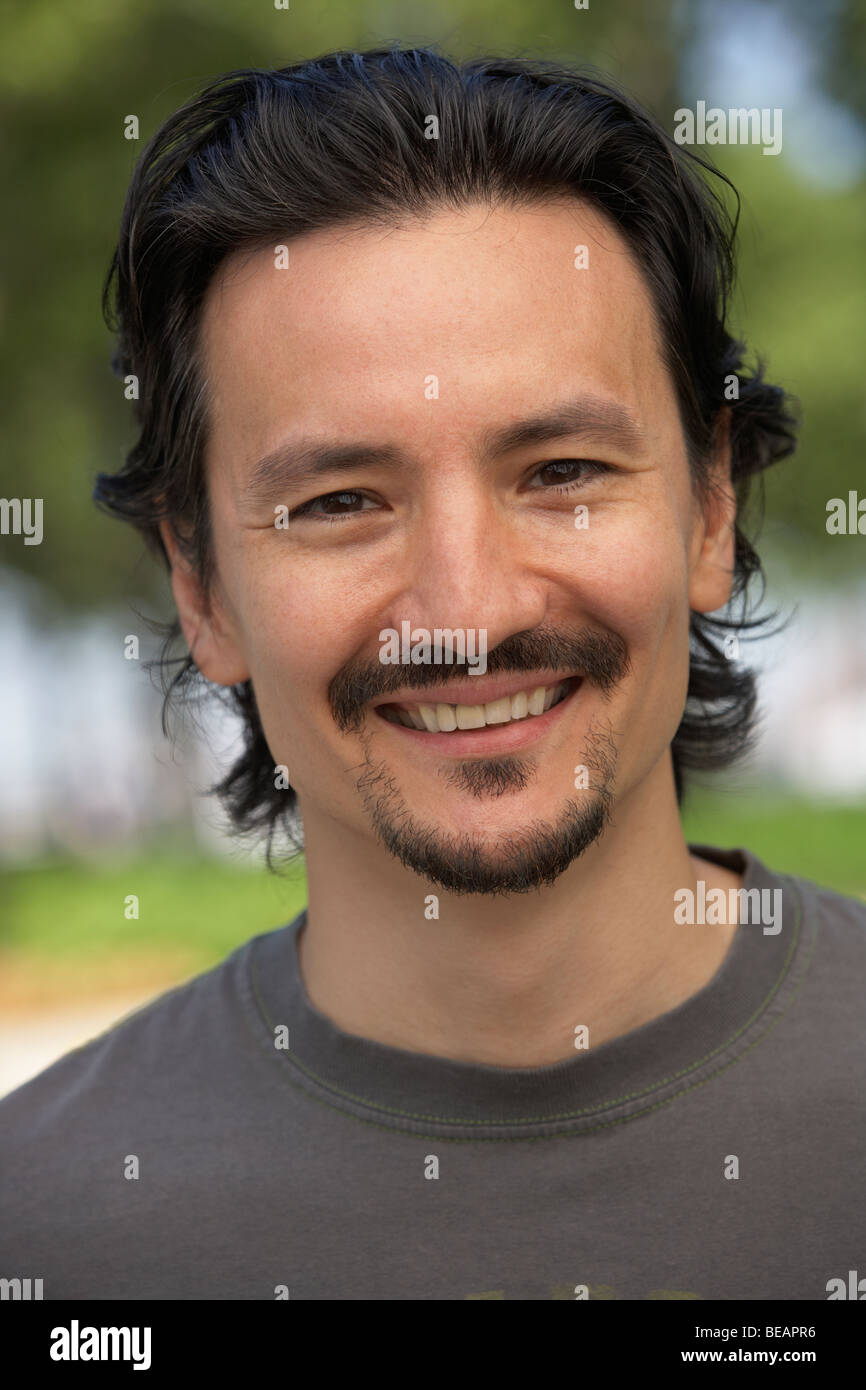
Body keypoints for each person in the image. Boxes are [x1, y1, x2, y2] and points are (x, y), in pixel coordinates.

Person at [1, 46, 863, 1302]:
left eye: (561, 473)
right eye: (341, 500)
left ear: (709, 511)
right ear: (198, 586)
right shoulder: (42, 1238)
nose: (464, 612)